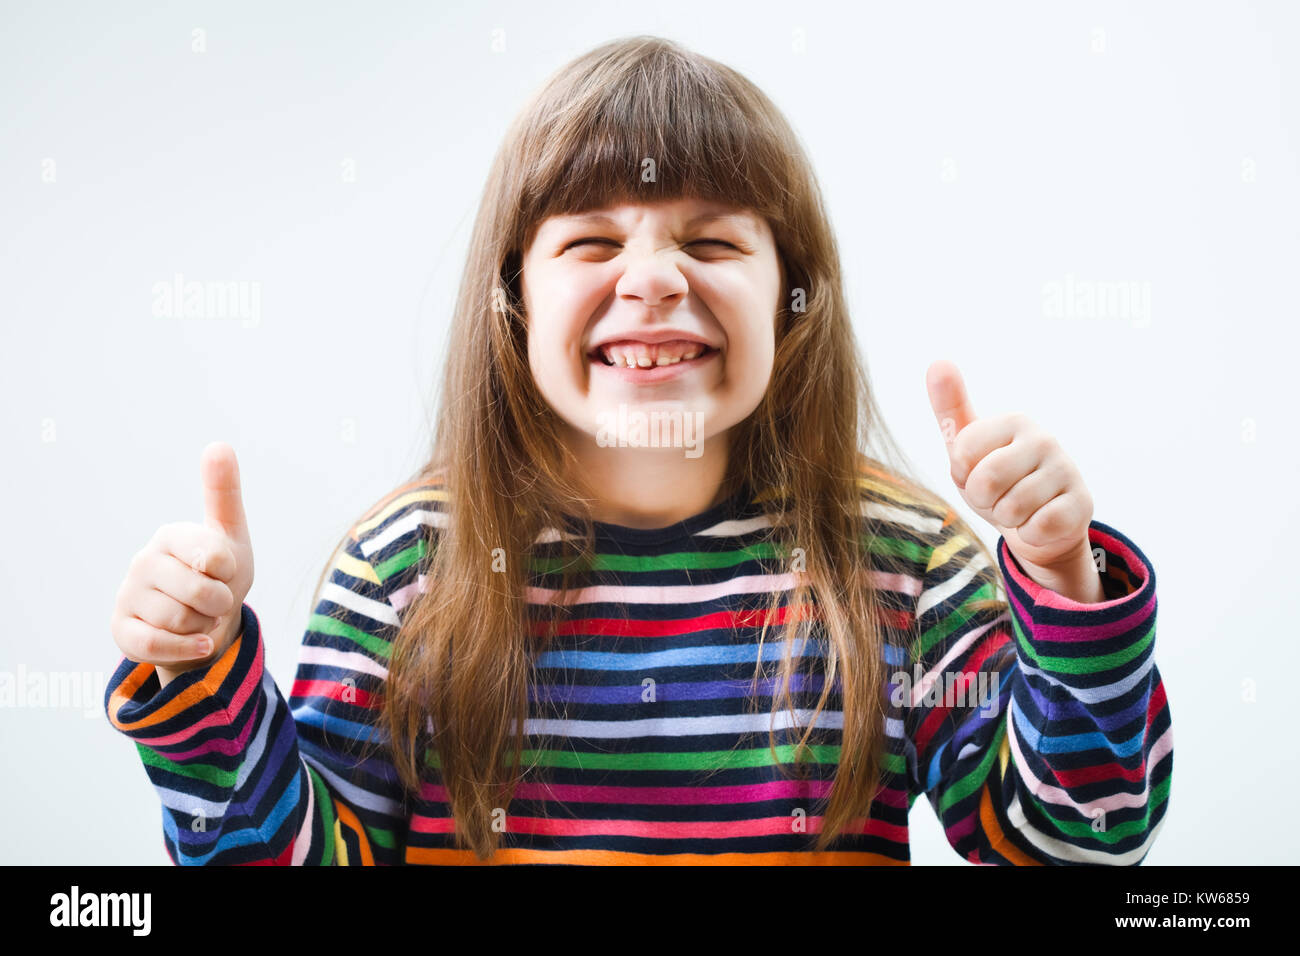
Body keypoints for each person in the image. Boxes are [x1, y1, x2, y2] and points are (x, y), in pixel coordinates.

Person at [105, 35, 1171, 865]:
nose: (653, 277)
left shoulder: (905, 563)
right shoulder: (402, 570)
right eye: (590, 241)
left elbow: (1078, 841)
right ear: (514, 298)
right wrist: (202, 680)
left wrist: (1064, 581)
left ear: (791, 300)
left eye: (711, 241)